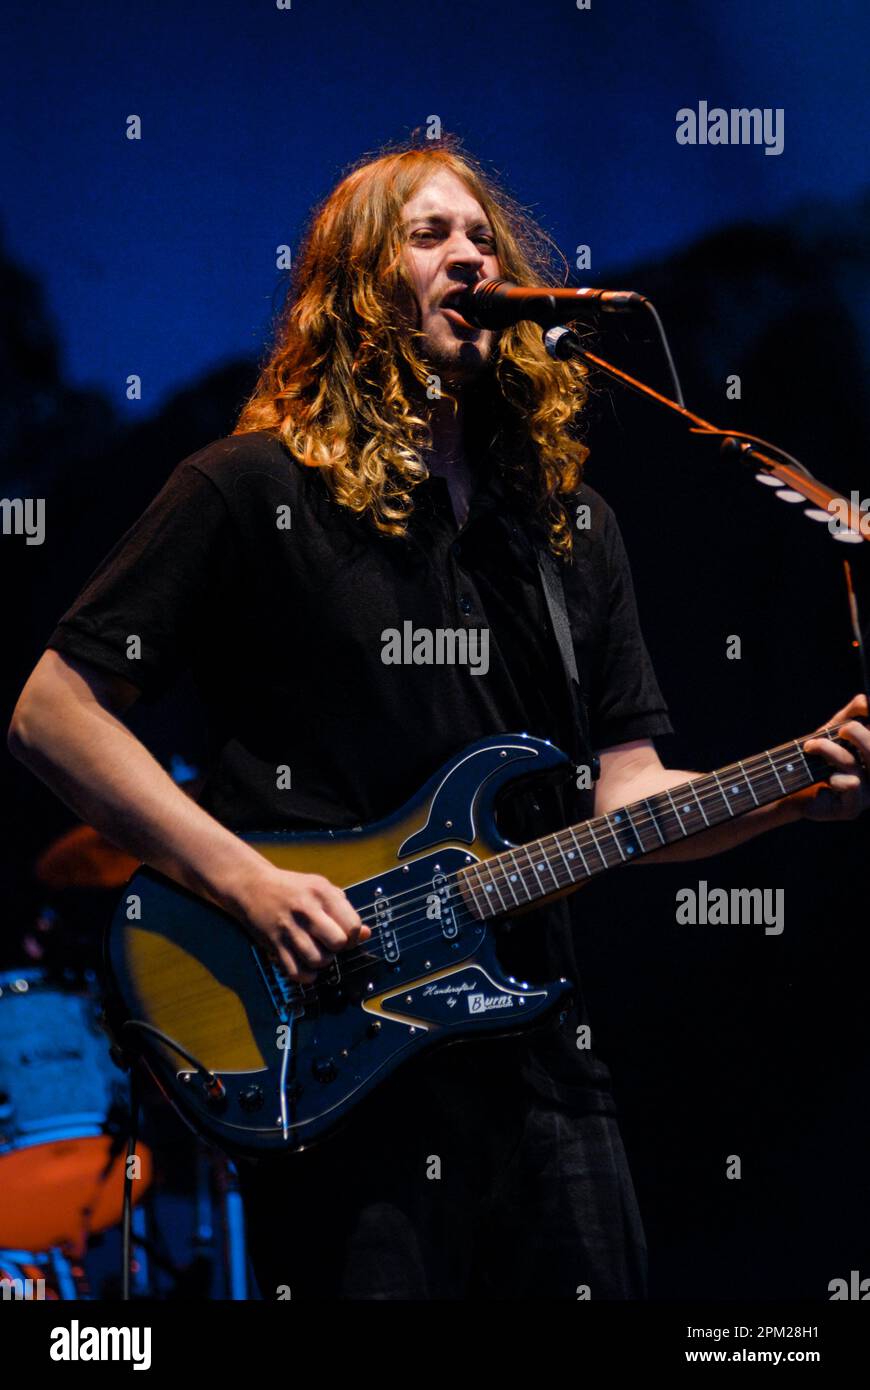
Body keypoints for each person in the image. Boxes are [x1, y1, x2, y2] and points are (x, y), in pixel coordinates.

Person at [8, 141, 869, 1301]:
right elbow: (51, 711)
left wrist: (794, 787)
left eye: (483, 237)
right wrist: (246, 884)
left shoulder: (568, 530)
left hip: (544, 1068)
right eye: (429, 236)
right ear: (358, 289)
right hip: (333, 1052)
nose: (470, 253)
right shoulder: (248, 488)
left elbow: (627, 794)